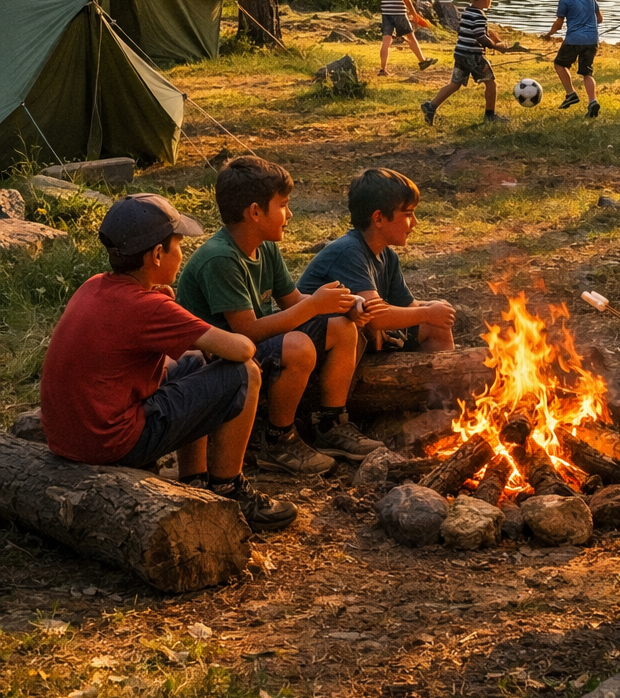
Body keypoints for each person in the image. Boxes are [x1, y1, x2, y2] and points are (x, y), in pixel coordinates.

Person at [39, 194, 296, 532]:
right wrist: (186, 319)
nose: (182, 253)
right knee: (244, 374)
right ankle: (229, 487)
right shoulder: (150, 309)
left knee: (191, 361)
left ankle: (194, 479)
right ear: (157, 255)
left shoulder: (94, 285)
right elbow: (243, 349)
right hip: (110, 444)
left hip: (69, 437)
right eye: (178, 245)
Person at [176, 157, 383, 469]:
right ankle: (276, 440)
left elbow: (293, 301)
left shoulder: (264, 246)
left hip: (248, 343)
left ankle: (331, 424)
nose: (290, 214)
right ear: (256, 212)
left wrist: (343, 305)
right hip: (218, 359)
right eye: (283, 205)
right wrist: (313, 306)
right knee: (298, 347)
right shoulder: (220, 258)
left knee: (341, 326)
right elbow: (246, 332)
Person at [299, 169, 456, 354]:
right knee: (429, 318)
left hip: (359, 337)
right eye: (408, 214)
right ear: (379, 218)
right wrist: (428, 313)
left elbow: (408, 307)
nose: (415, 222)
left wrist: (434, 308)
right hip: (319, 342)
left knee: (436, 325)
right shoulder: (349, 252)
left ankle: (438, 377)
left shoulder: (388, 256)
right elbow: (376, 317)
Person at [422, 0, 510, 125]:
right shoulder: (480, 15)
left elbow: (472, 31)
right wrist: (495, 46)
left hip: (460, 53)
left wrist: (490, 35)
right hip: (473, 56)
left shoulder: (467, 11)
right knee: (491, 83)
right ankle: (490, 116)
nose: (491, 1)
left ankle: (431, 106)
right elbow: (480, 37)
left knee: (455, 84)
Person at [544, 0, 602, 118]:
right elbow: (600, 18)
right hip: (592, 40)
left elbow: (559, 24)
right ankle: (592, 101)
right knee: (587, 72)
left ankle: (570, 93)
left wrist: (549, 34)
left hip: (574, 40)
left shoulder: (565, 1)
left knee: (559, 64)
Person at [378, 0, 436, 76]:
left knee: (386, 40)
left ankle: (383, 69)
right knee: (410, 37)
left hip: (386, 13)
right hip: (399, 13)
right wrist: (413, 13)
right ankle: (422, 61)